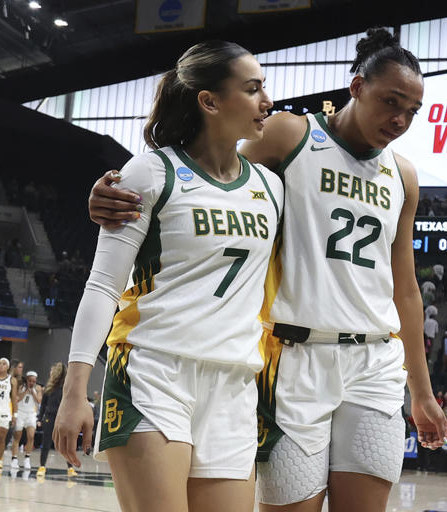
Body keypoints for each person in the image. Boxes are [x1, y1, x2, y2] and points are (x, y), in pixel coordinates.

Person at [87, 28, 447, 512]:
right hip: (295, 355)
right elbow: (208, 170)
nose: (400, 119)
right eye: (391, 102)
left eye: (412, 111)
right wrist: (124, 193)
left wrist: (420, 392)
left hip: (374, 362)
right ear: (357, 86)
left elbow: (405, 288)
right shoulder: (289, 134)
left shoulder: (403, 175)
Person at [54, 41, 281, 512]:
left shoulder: (271, 187)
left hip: (235, 382)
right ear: (210, 101)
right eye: (253, 88)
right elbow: (102, 285)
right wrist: (75, 392)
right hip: (154, 372)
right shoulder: (151, 172)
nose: (268, 101)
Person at [38, 362, 76, 479]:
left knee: (64, 444)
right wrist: (40, 418)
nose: (50, 372)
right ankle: (42, 467)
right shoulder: (48, 388)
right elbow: (43, 405)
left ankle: (70, 468)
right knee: (46, 443)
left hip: (62, 419)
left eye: (53, 370)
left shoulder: (65, 388)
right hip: (49, 418)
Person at [11, 370, 42, 471]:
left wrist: (32, 392)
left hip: (31, 414)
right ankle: (14, 458)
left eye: (33, 381)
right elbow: (16, 399)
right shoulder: (21, 387)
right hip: (20, 413)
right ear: (27, 380)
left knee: (31, 436)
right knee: (17, 437)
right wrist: (25, 392)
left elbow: (39, 401)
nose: (32, 383)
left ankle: (27, 458)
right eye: (30, 381)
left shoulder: (37, 388)